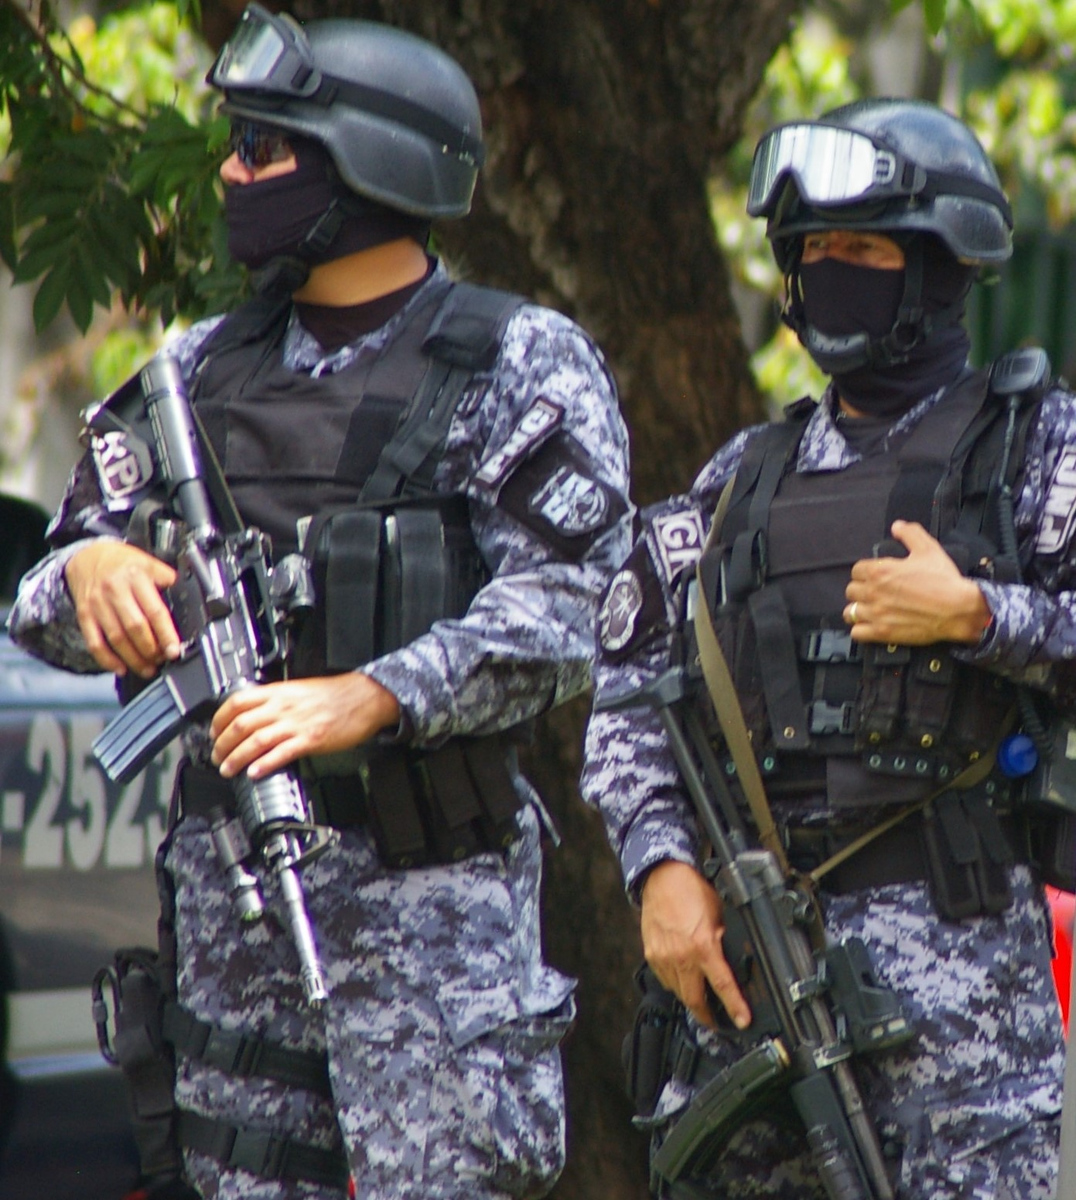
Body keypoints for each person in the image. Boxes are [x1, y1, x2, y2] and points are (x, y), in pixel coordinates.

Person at [9, 6, 631, 1199]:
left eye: (261, 150)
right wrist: (89, 576)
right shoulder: (195, 372)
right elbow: (45, 584)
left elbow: (576, 605)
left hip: (435, 942)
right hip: (233, 930)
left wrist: (372, 695)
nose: (234, 176)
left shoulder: (518, 363)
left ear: (367, 164)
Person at [582, 97, 1069, 1199]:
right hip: (755, 992)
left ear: (939, 264)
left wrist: (985, 619)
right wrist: (658, 868)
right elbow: (627, 700)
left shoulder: (1038, 451)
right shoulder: (736, 481)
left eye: (858, 247)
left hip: (960, 1022)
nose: (822, 276)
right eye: (807, 253)